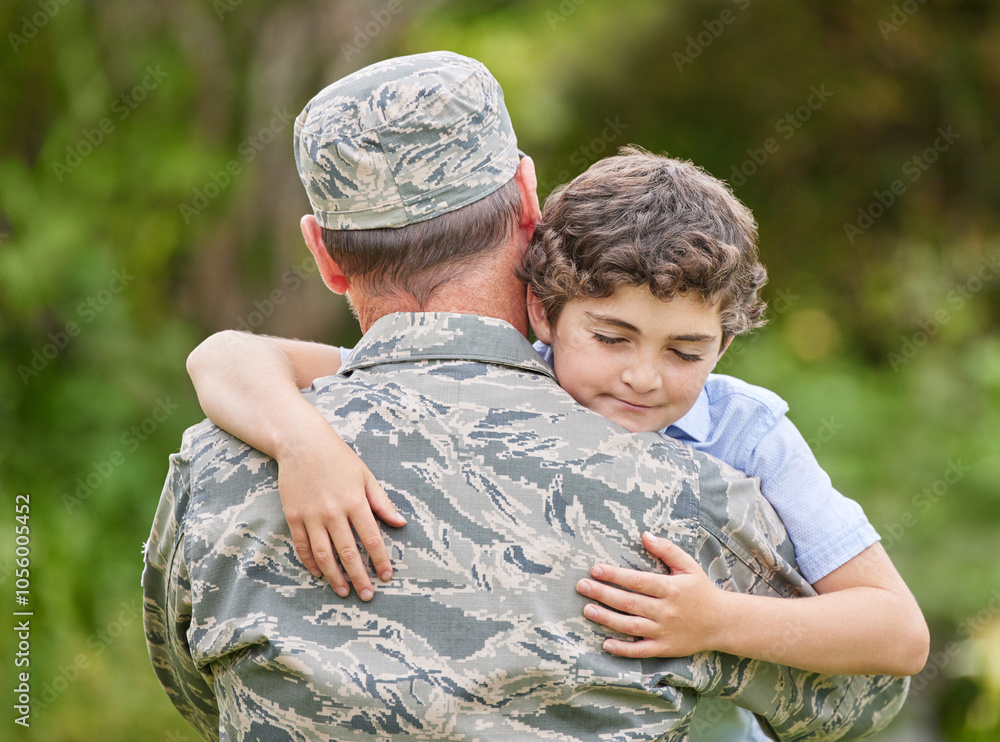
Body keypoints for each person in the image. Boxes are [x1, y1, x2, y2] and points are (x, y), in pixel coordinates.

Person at [143, 51, 909, 741]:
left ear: (324, 254)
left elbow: (194, 689)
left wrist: (302, 441)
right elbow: (859, 697)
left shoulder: (220, 466)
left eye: (682, 351)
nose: (643, 378)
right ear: (527, 200)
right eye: (614, 338)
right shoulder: (694, 503)